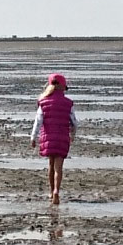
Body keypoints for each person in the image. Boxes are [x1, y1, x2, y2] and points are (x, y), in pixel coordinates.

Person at [32, 70, 76, 208]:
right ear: (63, 87)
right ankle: (57, 190)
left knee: (50, 166)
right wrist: (73, 134)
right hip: (63, 137)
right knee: (59, 167)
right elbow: (74, 122)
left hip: (48, 138)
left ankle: (51, 192)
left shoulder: (43, 102)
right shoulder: (68, 103)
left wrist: (33, 137)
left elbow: (38, 121)